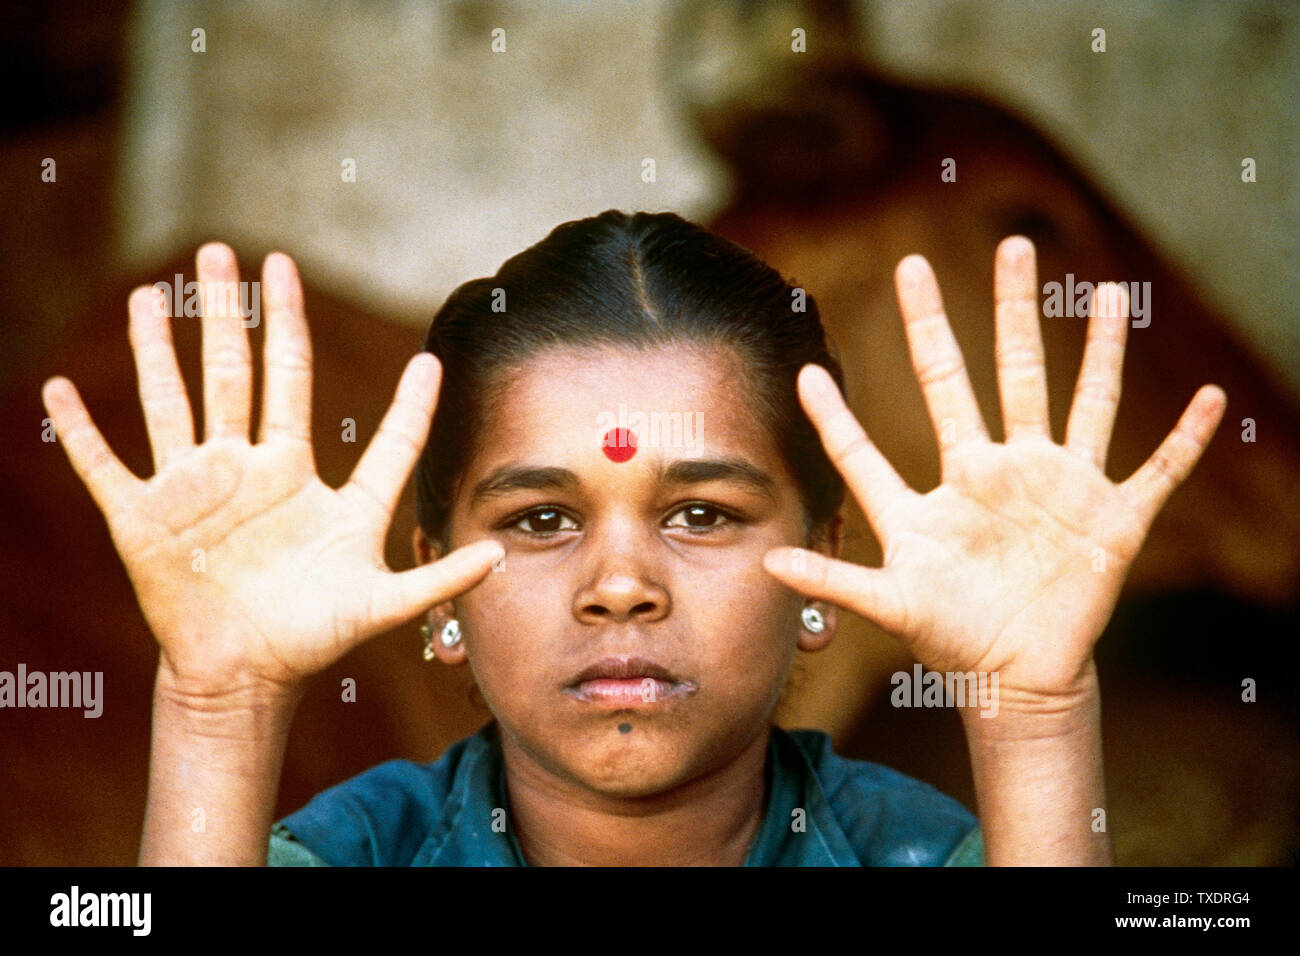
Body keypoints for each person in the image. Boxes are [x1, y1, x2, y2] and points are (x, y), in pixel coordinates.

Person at [41, 210, 1225, 866]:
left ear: (822, 561)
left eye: (701, 513)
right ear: (435, 584)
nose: (619, 584)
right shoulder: (365, 851)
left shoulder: (905, 851)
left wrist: (1031, 715)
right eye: (540, 517)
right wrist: (220, 705)